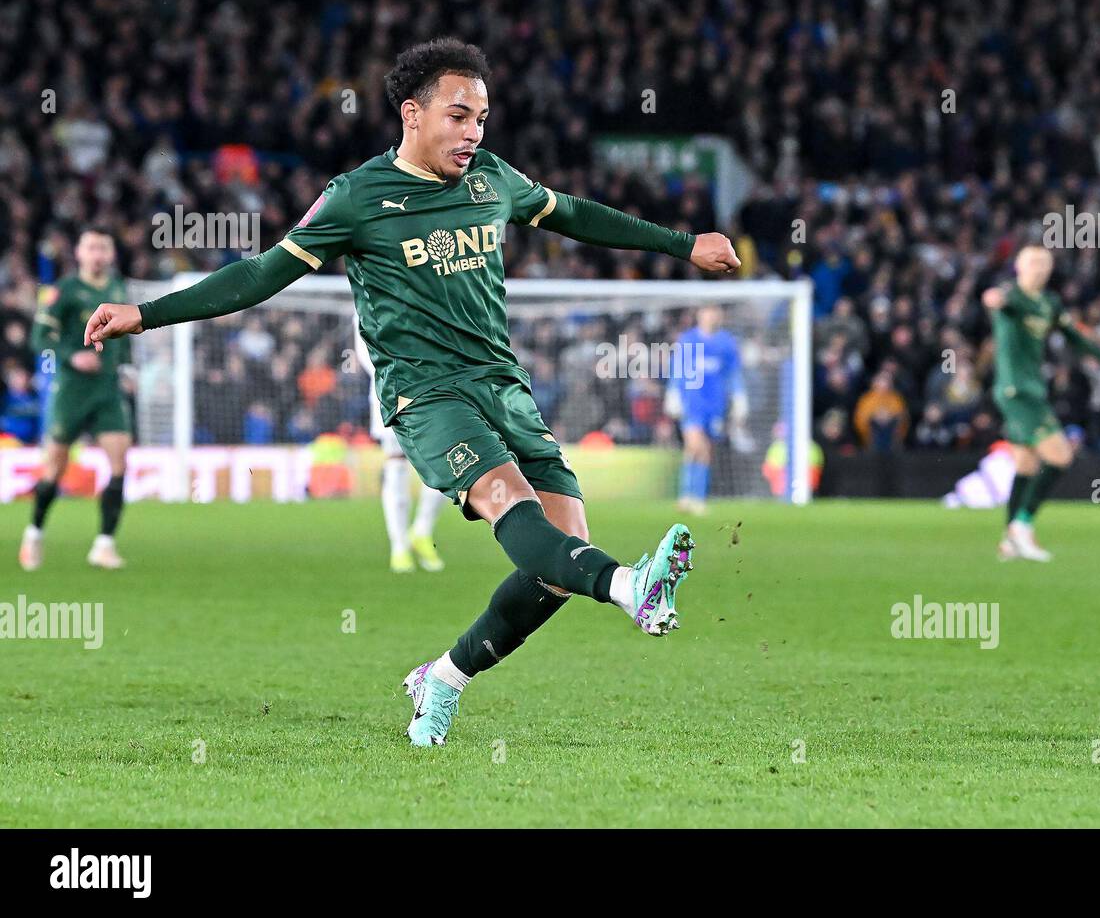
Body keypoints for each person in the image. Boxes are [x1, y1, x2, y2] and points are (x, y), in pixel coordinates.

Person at [83, 38, 740, 747]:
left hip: (503, 387)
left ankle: (445, 680)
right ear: (412, 114)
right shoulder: (356, 197)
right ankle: (629, 588)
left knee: (559, 558)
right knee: (507, 504)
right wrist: (147, 313)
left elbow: (576, 213)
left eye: (482, 119)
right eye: (458, 116)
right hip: (426, 394)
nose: (473, 133)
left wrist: (681, 245)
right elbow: (260, 274)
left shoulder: (492, 179)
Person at [982, 246, 1100, 561]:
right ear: (1019, 266)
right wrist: (992, 298)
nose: (1039, 268)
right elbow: (997, 298)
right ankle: (1022, 528)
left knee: (1026, 465)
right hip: (1017, 391)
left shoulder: (1049, 303)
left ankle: (1010, 540)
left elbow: (1075, 337)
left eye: (1044, 263)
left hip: (1032, 390)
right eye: (1033, 262)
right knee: (1060, 456)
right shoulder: (1012, 297)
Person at [19, 229, 133, 571]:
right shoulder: (63, 291)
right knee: (55, 467)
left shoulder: (117, 288)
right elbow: (40, 339)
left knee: (119, 462)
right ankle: (35, 532)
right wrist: (71, 358)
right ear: (79, 253)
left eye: (103, 247)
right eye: (91, 247)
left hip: (108, 389)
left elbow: (125, 334)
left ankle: (104, 544)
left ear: (111, 254)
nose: (97, 254)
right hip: (71, 389)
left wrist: (127, 368)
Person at [353, 317, 445, 573]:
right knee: (396, 468)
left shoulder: (422, 290)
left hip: (431, 389)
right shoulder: (367, 296)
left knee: (444, 462)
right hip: (390, 392)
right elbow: (365, 352)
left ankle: (422, 530)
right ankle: (399, 546)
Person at [666, 305, 746, 514]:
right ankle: (689, 496)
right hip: (692, 403)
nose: (711, 316)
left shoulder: (726, 342)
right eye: (707, 311)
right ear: (700, 314)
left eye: (715, 312)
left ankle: (694, 497)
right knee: (696, 445)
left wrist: (739, 397)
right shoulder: (687, 340)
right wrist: (673, 393)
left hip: (715, 405)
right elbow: (677, 370)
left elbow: (733, 373)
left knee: (704, 450)